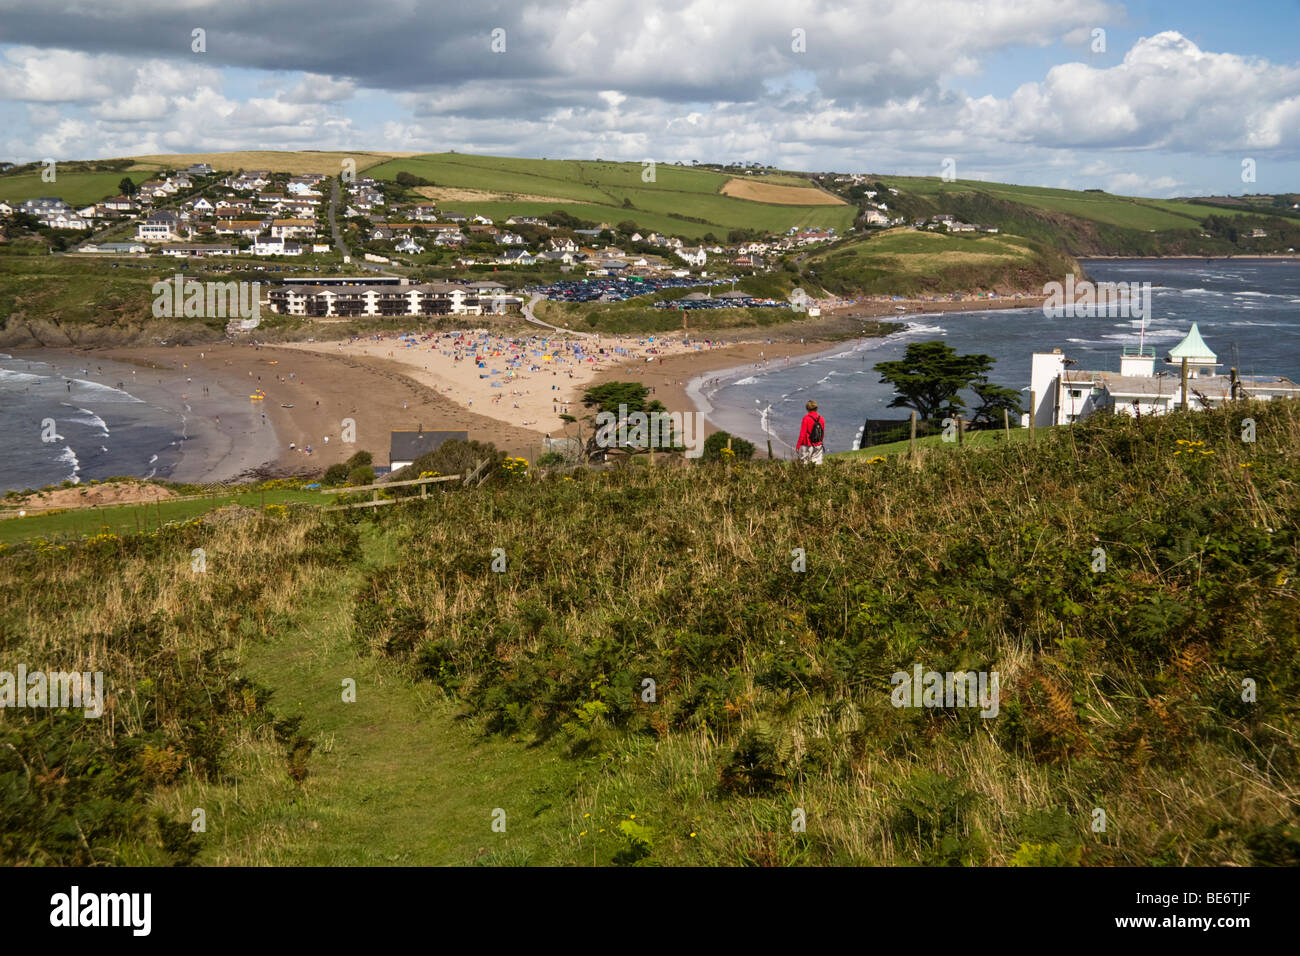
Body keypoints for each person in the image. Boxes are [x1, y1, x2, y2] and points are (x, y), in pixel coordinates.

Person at [796, 400, 825, 465]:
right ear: (816, 408)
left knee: (805, 463)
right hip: (818, 444)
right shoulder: (821, 418)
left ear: (807, 408)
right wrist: (820, 441)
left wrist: (798, 446)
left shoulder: (806, 418)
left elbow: (802, 434)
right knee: (817, 463)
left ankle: (806, 475)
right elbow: (822, 433)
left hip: (807, 444)